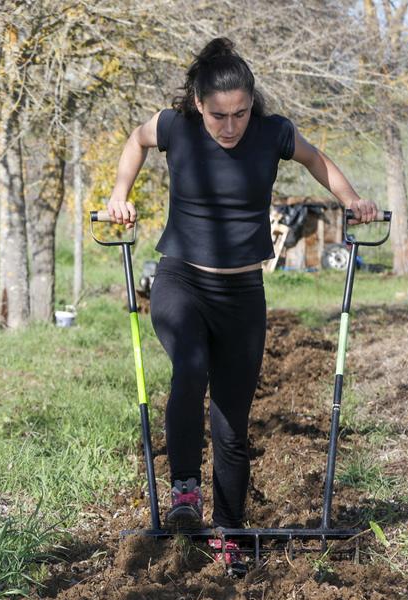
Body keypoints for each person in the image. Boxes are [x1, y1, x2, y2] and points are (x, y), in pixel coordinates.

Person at [105, 38, 378, 541]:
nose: (230, 127)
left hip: (243, 295)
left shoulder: (273, 134)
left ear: (252, 105)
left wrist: (351, 199)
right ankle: (185, 492)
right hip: (181, 280)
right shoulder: (174, 126)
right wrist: (119, 195)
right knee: (189, 366)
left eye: (240, 114)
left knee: (232, 420)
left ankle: (230, 532)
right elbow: (135, 141)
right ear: (197, 105)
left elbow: (318, 161)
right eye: (218, 116)